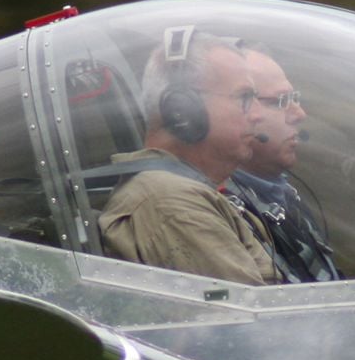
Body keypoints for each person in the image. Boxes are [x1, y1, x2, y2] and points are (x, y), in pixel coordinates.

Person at [99, 27, 277, 285]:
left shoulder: (190, 191)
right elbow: (255, 321)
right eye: (244, 97)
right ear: (182, 110)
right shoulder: (173, 205)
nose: (259, 115)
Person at [231, 43, 340, 282]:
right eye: (280, 101)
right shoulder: (221, 210)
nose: (299, 114)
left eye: (294, 98)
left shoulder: (281, 194)